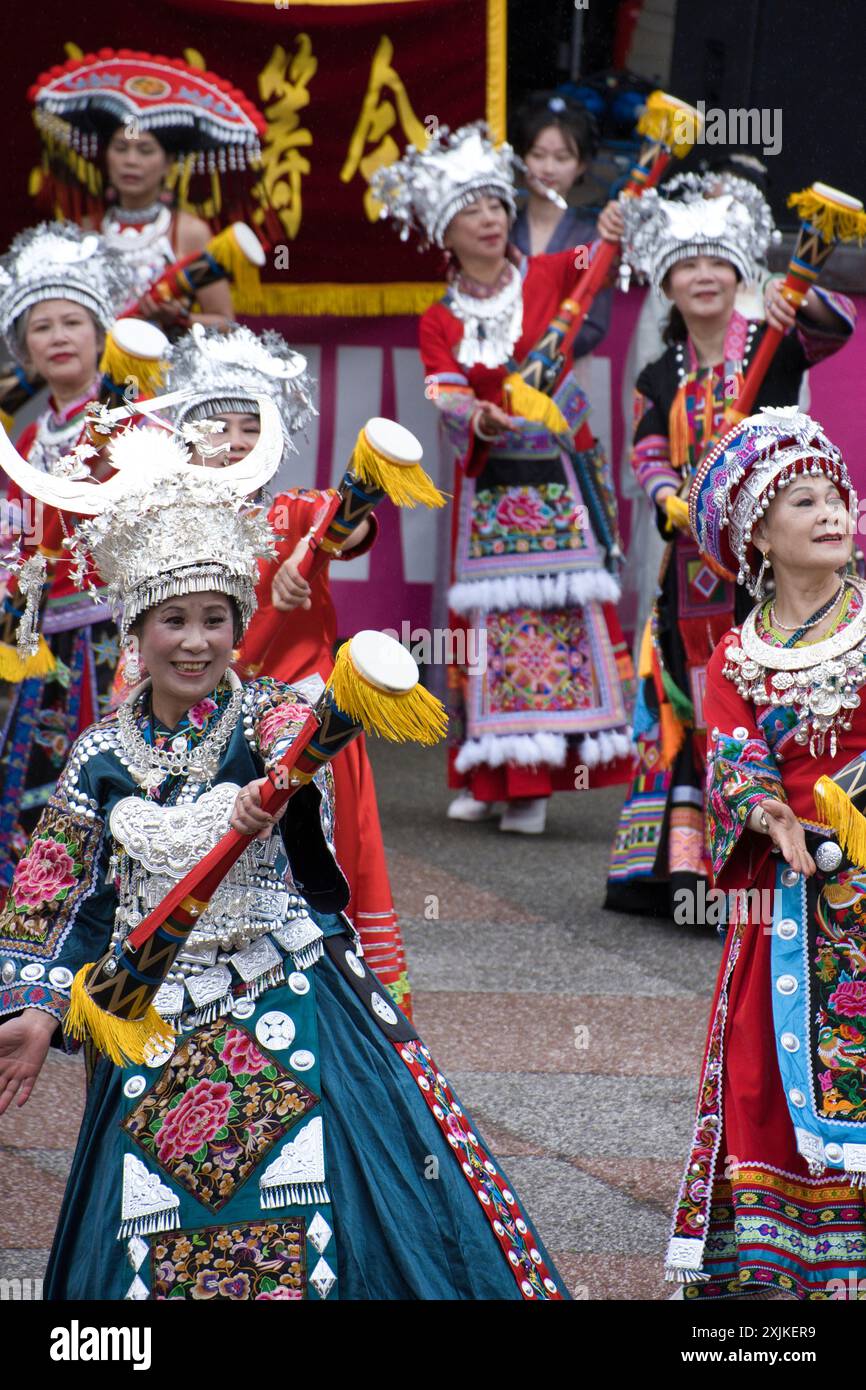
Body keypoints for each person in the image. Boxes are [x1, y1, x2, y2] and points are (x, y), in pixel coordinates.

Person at [0, 407, 567, 1301]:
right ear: (137, 633)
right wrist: (36, 1008)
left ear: (238, 622)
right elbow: (53, 898)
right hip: (146, 1018)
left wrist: (282, 787)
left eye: (216, 620)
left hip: (284, 988)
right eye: (174, 621)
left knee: (336, 1209)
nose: (196, 642)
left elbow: (310, 764)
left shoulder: (271, 716)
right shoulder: (100, 758)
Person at [373, 122, 634, 837]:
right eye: (471, 212)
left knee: (548, 630)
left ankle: (534, 785)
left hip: (555, 476)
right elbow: (442, 390)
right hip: (488, 490)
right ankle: (484, 773)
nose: (489, 220)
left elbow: (602, 258)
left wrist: (616, 223)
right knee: (482, 634)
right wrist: (473, 418)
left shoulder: (549, 278)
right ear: (444, 234)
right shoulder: (440, 318)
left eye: (496, 206)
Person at [602, 187, 855, 917]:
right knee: (699, 695)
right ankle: (691, 874)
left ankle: (782, 847)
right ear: (667, 283)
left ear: (742, 271)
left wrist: (790, 297)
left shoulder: (772, 336)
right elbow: (648, 447)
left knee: (774, 683)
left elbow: (833, 322)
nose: (704, 275)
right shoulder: (664, 370)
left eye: (719, 261)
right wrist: (662, 495)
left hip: (773, 561)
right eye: (688, 265)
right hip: (689, 569)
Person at [667, 407, 866, 1298]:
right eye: (803, 502)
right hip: (787, 908)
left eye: (837, 496)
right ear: (758, 537)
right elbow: (734, 752)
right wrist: (770, 817)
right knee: (764, 1067)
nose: (832, 513)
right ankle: (787, 1267)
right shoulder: (738, 657)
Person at [163, 324, 413, 1014]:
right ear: (185, 437)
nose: (236, 441)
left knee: (313, 890)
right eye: (218, 426)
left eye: (252, 426)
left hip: (303, 736)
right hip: (196, 726)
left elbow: (349, 521)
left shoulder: (293, 511)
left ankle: (340, 1022)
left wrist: (317, 539)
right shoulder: (164, 527)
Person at [0, 222, 139, 890]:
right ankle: (45, 900)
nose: (57, 337)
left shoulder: (123, 421)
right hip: (44, 647)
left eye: (72, 322)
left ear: (100, 334)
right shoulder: (27, 435)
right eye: (41, 326)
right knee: (39, 781)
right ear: (23, 346)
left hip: (117, 636)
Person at [29, 49, 273, 333]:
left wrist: (179, 321)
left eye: (145, 151)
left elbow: (225, 323)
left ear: (168, 163)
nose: (131, 161)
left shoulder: (188, 232)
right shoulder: (85, 232)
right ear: (106, 156)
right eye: (121, 148)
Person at [511, 92, 612, 360]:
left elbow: (593, 323)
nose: (548, 168)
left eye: (562, 158)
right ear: (522, 159)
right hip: (501, 366)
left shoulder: (590, 238)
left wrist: (544, 353)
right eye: (538, 155)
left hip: (565, 370)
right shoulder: (502, 230)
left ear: (581, 166)